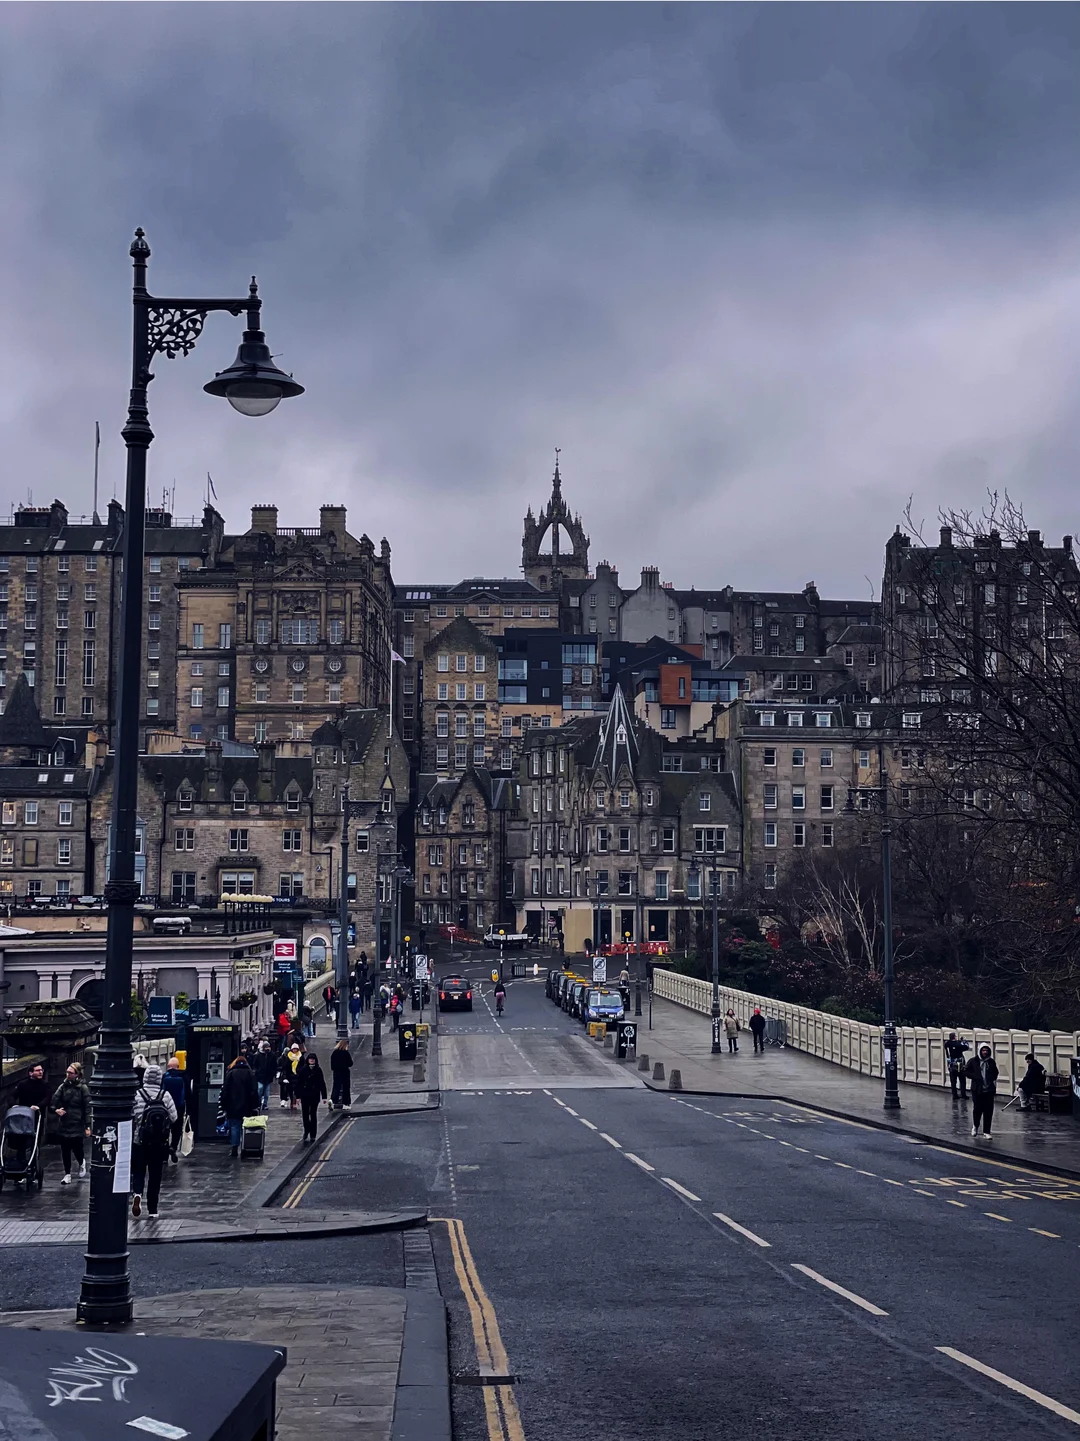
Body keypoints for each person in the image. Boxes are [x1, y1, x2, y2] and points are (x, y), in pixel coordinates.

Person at [130, 1063, 177, 1218]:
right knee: (155, 1175)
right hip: (159, 1143)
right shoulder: (165, 1095)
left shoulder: (138, 1094)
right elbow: (174, 1117)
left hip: (140, 1141)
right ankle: (153, 1209)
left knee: (138, 1171)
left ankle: (137, 1194)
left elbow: (132, 1116)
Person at [51, 1062, 91, 1186]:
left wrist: (88, 1126)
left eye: (71, 1073)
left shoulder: (83, 1088)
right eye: (67, 1072)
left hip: (77, 1123)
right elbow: (53, 1101)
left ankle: (81, 1162)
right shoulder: (62, 1087)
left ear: (77, 1074)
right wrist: (56, 1110)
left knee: (77, 1148)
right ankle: (67, 1174)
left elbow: (87, 1108)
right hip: (65, 1123)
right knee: (65, 1150)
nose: (68, 1074)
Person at [11, 1062, 50, 1177]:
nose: (41, 1072)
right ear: (30, 1073)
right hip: (23, 1116)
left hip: (37, 1116)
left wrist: (39, 1106)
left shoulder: (45, 1085)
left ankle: (33, 1167)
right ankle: (20, 1166)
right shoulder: (23, 1085)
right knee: (21, 1141)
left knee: (35, 1142)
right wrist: (14, 1105)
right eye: (38, 1070)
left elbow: (47, 1098)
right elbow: (12, 1095)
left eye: (41, 1070)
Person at [219, 1053, 259, 1157]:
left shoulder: (231, 1073)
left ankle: (234, 1148)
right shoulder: (250, 1073)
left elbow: (225, 1090)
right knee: (246, 1126)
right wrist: (255, 1105)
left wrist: (224, 1104)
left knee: (235, 1126)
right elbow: (254, 1091)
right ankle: (245, 1146)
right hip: (247, 1105)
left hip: (232, 1106)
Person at [965, 1045, 999, 1138]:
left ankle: (987, 1131)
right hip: (977, 1090)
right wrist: (975, 1076)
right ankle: (975, 1126)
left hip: (989, 1090)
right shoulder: (973, 1061)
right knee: (977, 1109)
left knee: (988, 1110)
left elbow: (996, 1072)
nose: (985, 1052)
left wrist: (991, 1078)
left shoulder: (991, 1062)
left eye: (986, 1050)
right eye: (983, 1050)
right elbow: (966, 1071)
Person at [294, 1051, 327, 1143]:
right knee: (305, 1114)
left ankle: (313, 1134)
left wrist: (324, 1096)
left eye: (313, 1059)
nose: (311, 1061)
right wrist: (298, 1096)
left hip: (314, 1095)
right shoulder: (303, 1070)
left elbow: (322, 1083)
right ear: (308, 1060)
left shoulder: (318, 1070)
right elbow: (299, 1084)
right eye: (310, 1059)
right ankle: (306, 1130)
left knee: (313, 1114)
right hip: (305, 1095)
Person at [160, 1056, 187, 1164]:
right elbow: (187, 1094)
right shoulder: (182, 1078)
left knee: (165, 1131)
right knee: (177, 1131)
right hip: (179, 1109)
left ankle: (164, 1155)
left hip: (165, 1109)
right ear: (178, 1067)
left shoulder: (164, 1077)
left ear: (168, 1067)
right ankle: (173, 1147)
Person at [252, 1040, 277, 1111]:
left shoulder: (272, 1055)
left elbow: (274, 1065)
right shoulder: (258, 1055)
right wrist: (256, 1072)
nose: (267, 1048)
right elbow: (255, 1064)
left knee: (266, 1092)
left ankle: (265, 1104)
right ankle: (258, 1103)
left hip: (268, 1076)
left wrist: (273, 1073)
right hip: (260, 1076)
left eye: (268, 1047)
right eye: (266, 1047)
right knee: (260, 1089)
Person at [945, 1033, 970, 1100]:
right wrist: (963, 1041)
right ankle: (963, 1094)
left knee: (953, 1081)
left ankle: (954, 1095)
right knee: (962, 1079)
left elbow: (948, 1044)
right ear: (954, 1037)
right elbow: (967, 1047)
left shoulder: (947, 1044)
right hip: (959, 1064)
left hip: (951, 1064)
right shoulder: (958, 1044)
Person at [330, 1039, 353, 1109]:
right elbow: (350, 1063)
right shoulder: (346, 1053)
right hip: (345, 1072)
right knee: (346, 1088)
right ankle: (346, 1103)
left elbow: (332, 1066)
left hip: (336, 1073)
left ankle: (333, 1101)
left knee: (336, 1087)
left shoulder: (334, 1053)